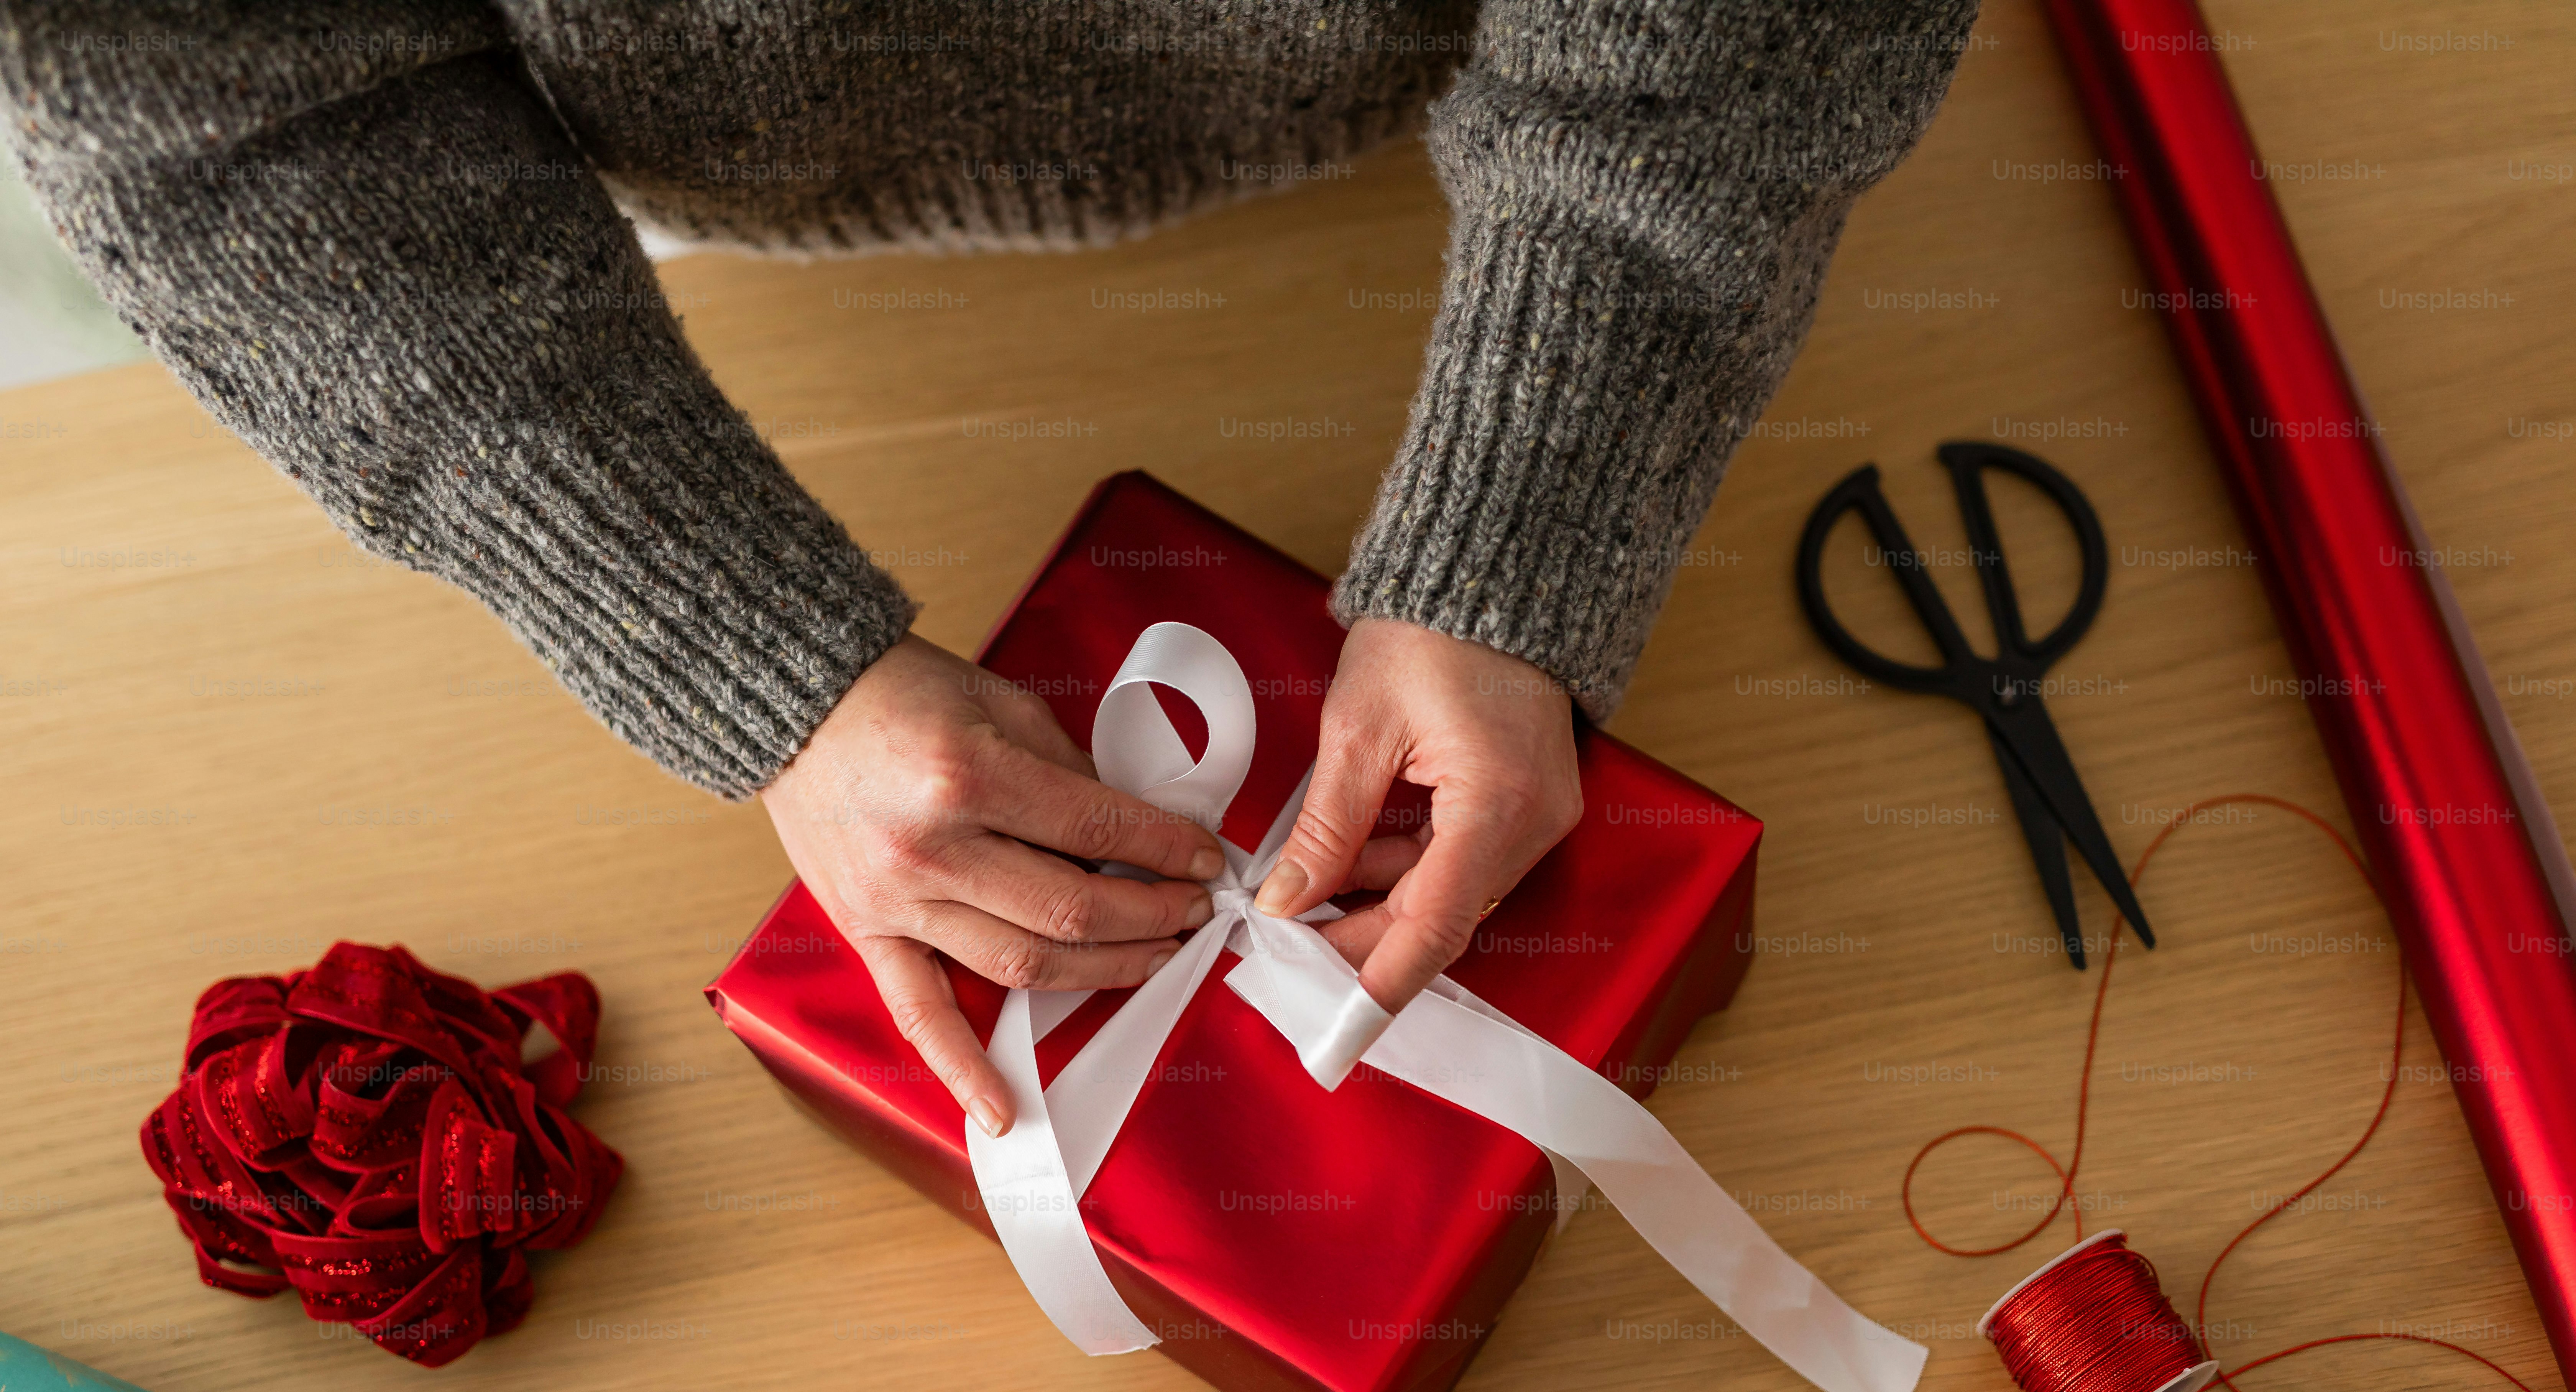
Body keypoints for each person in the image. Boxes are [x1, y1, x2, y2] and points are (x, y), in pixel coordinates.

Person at [2, 1, 1977, 1134]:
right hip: (713, 298)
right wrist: (725, 633)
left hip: (1485, 129)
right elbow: (229, 127)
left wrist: (1543, 487)